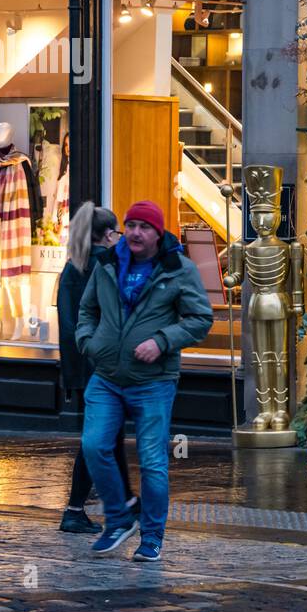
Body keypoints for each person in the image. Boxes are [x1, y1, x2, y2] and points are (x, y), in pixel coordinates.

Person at [77, 200, 213, 561]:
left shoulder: (177, 269)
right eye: (131, 225)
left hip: (153, 382)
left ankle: (151, 537)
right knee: (93, 446)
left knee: (152, 462)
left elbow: (200, 318)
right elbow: (87, 309)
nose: (135, 233)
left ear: (158, 233)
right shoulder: (107, 263)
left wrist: (162, 341)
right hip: (106, 377)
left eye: (144, 227)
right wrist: (88, 342)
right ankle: (119, 519)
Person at [56, 202, 136, 533]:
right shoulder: (102, 264)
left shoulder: (73, 267)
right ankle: (74, 510)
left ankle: (129, 503)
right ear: (107, 235)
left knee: (109, 438)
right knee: (98, 439)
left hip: (84, 364)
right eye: (117, 232)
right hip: (100, 366)